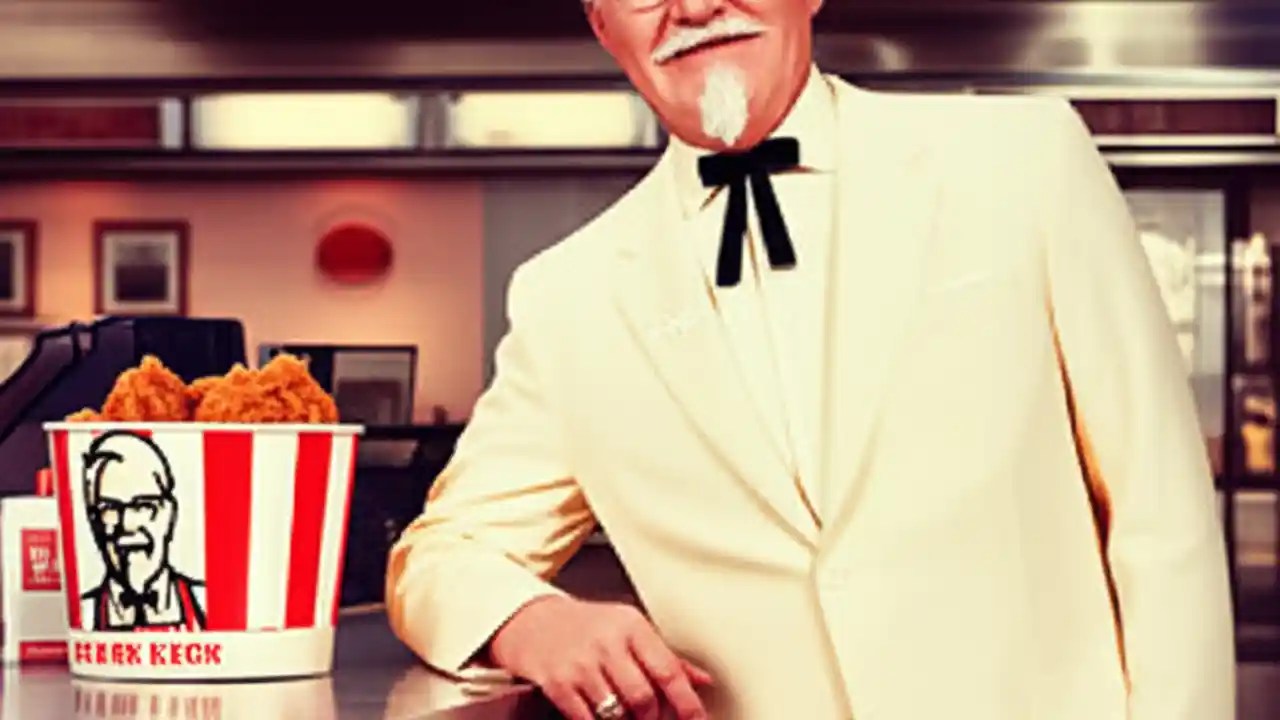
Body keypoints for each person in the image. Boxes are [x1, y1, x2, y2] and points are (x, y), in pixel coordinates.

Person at [386, 0, 1235, 718]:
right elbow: (440, 553)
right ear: (602, 25)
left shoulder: (1022, 161)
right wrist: (536, 623)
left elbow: (1162, 523)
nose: (692, 6)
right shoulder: (567, 296)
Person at [80, 431, 206, 632]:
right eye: (110, 508)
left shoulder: (207, 604)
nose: (128, 524)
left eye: (144, 506)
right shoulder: (82, 616)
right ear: (94, 521)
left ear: (169, 514)